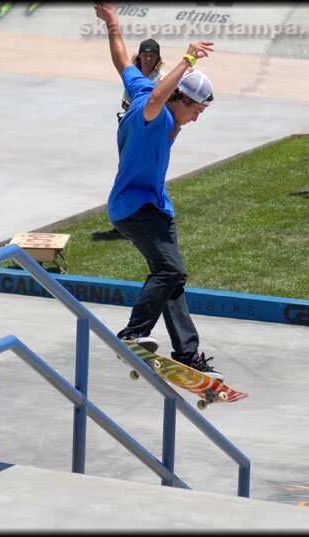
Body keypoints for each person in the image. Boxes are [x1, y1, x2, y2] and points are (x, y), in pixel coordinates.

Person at [94, 1, 222, 379]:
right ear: (181, 98)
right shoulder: (155, 112)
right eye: (196, 110)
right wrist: (188, 59)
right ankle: (133, 334)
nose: (196, 118)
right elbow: (155, 100)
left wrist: (112, 21)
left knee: (173, 277)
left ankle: (186, 352)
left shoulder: (143, 87)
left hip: (157, 206)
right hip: (133, 207)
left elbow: (122, 62)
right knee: (169, 270)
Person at [117, 38, 166, 122]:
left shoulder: (163, 79)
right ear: (140, 56)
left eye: (152, 55)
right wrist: (126, 104)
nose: (148, 59)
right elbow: (125, 100)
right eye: (145, 55)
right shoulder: (133, 76)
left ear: (157, 58)